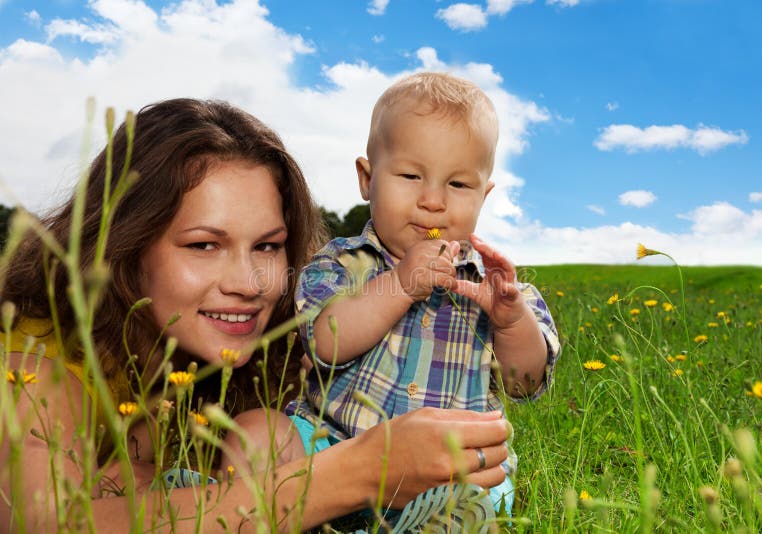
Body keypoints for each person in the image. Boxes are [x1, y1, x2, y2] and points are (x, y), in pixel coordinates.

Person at [0, 98, 511, 532]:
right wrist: (360, 471)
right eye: (203, 245)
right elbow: (41, 524)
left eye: (268, 246)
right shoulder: (34, 365)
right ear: (125, 248)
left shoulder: (271, 347)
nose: (249, 284)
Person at [289, 72, 561, 514]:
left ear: (483, 196)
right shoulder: (340, 263)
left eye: (458, 184)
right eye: (411, 175)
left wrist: (510, 322)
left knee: (481, 503)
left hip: (448, 473)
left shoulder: (498, 288)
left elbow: (525, 384)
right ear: (367, 177)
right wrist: (399, 285)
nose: (433, 201)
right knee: (259, 432)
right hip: (328, 446)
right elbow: (323, 344)